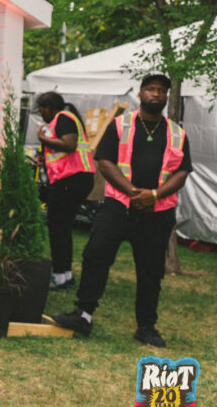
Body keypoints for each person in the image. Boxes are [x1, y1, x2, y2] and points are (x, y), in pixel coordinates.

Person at [53, 74, 192, 347]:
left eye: (161, 91)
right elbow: (104, 162)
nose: (156, 95)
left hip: (158, 211)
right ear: (140, 95)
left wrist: (153, 195)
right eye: (151, 90)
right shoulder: (120, 125)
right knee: (96, 254)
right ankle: (83, 315)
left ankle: (146, 326)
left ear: (166, 98)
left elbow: (182, 171)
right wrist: (131, 192)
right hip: (119, 205)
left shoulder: (177, 133)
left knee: (151, 269)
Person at [35, 91, 96, 290]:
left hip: (71, 178)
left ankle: (60, 276)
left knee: (57, 227)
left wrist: (43, 140)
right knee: (62, 227)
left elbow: (69, 145)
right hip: (74, 178)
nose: (41, 113)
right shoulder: (62, 121)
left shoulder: (63, 118)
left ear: (49, 107)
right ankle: (65, 275)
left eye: (41, 109)